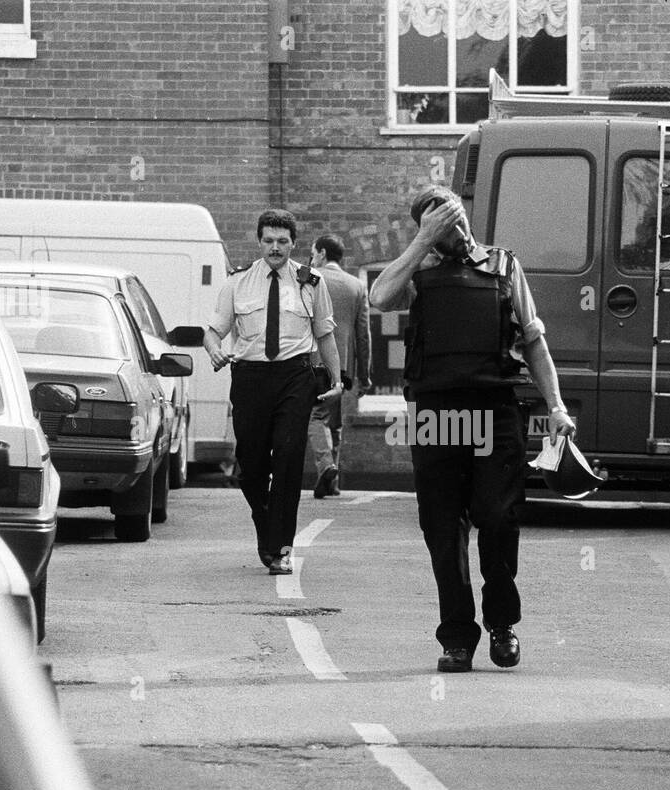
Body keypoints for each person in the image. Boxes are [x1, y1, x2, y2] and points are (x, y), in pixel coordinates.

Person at [369, 184, 575, 673]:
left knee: (498, 517)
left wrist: (558, 406)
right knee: (442, 527)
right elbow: (378, 297)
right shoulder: (418, 271)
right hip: (436, 414)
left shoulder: (504, 267)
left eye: (457, 221)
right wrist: (423, 241)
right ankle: (458, 638)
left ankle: (502, 625)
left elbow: (535, 343)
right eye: (444, 227)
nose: (456, 233)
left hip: (494, 410)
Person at [205, 209, 342, 575]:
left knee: (288, 457)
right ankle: (265, 527)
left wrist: (337, 379)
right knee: (251, 469)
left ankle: (281, 546)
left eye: (283, 241)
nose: (275, 248)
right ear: (259, 241)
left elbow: (325, 333)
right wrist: (215, 350)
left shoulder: (311, 281)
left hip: (294, 377)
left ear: (294, 244)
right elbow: (213, 331)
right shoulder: (238, 282)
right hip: (250, 378)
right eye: (269, 241)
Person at [307, 234, 372, 498]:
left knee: (315, 415)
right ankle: (332, 483)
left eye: (313, 253)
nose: (311, 258)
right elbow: (363, 335)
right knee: (334, 421)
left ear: (322, 253)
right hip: (343, 366)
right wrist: (364, 376)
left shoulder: (308, 278)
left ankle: (326, 466)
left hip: (314, 361)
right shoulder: (356, 285)